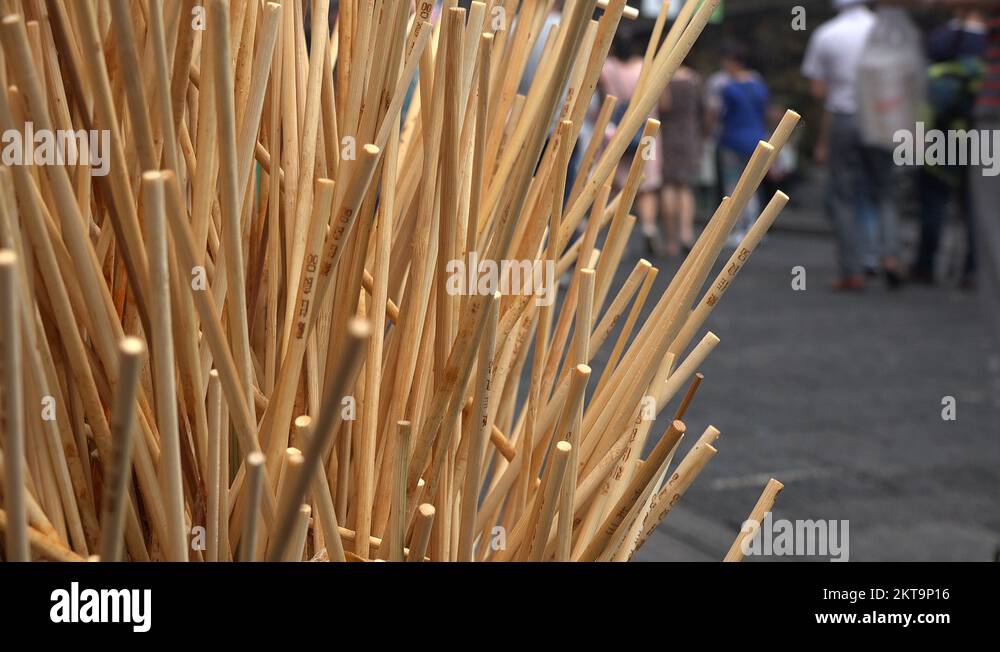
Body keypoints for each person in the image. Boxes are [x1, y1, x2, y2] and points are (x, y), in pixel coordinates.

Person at [802, 0, 903, 290]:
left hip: (844, 118)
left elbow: (818, 89)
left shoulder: (826, 34)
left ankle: (852, 269)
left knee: (844, 196)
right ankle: (891, 257)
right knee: (885, 191)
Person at [912, 9, 987, 289]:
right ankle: (972, 270)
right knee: (975, 209)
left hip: (940, 135)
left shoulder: (940, 38)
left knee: (933, 203)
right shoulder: (988, 42)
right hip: (982, 136)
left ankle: (925, 264)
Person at [601, 24, 663, 255]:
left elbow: (600, 97)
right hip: (647, 133)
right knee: (646, 184)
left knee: (619, 184)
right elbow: (663, 101)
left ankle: (619, 238)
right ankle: (648, 227)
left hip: (617, 133)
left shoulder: (607, 68)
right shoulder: (648, 67)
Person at [706, 42, 769, 248]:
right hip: (757, 140)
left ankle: (737, 229)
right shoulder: (759, 85)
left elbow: (718, 114)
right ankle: (754, 228)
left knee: (733, 185)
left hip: (732, 140)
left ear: (733, 62)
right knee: (752, 186)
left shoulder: (727, 88)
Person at [658, 64, 704, 256]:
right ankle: (686, 233)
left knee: (668, 186)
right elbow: (702, 108)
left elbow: (663, 106)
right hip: (688, 134)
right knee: (685, 187)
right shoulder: (694, 79)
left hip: (667, 134)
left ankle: (671, 241)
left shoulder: (663, 76)